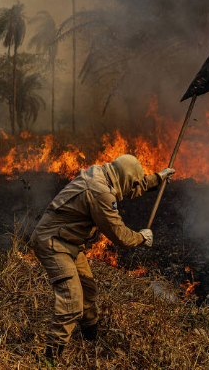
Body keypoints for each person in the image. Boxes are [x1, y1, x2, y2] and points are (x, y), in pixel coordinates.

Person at [30, 154, 175, 362]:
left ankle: (90, 342)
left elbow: (130, 185)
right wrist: (141, 238)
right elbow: (120, 236)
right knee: (72, 301)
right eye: (132, 183)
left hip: (69, 242)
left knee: (88, 291)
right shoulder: (100, 193)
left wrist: (158, 178)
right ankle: (50, 357)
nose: (132, 189)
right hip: (53, 243)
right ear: (124, 178)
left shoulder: (103, 173)